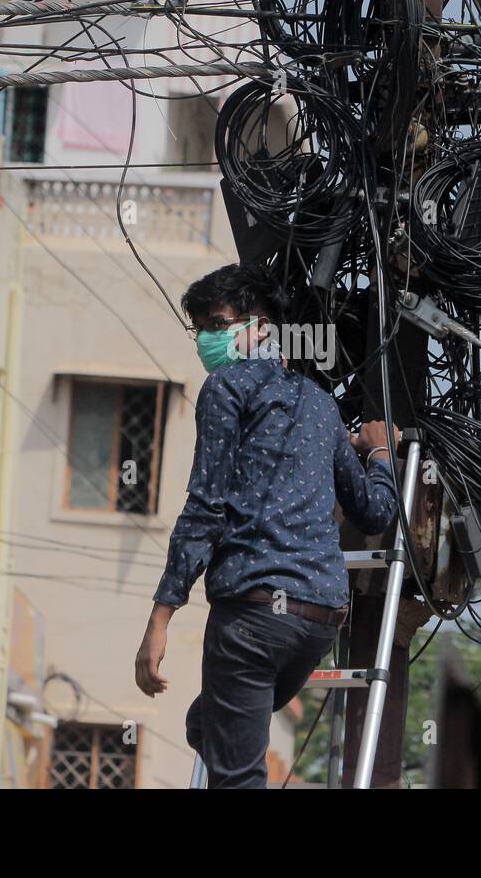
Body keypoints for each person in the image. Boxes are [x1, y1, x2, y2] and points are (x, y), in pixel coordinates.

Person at [134, 263, 399, 788]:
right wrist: (383, 455)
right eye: (200, 329)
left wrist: (160, 619)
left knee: (237, 776)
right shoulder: (321, 406)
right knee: (208, 724)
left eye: (216, 323)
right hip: (319, 618)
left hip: (254, 616)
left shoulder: (227, 388)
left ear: (259, 326)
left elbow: (205, 507)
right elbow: (376, 512)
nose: (207, 340)